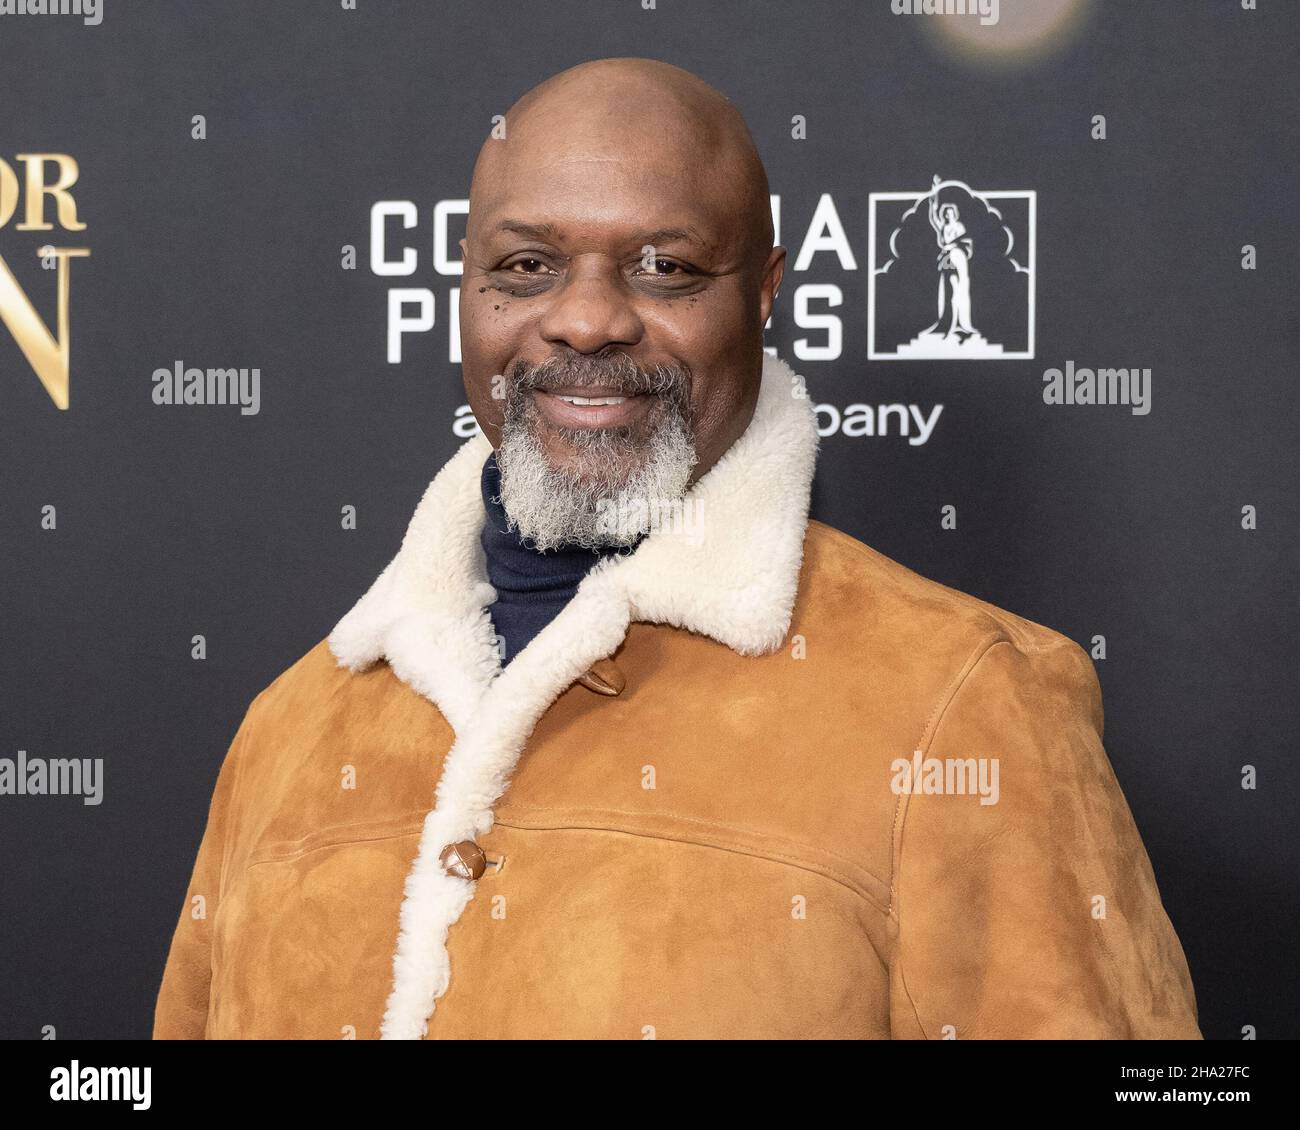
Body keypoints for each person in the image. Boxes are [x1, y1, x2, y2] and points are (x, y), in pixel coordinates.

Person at [153, 57, 1201, 1040]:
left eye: (666, 267)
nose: (588, 319)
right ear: (468, 290)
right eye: (527, 265)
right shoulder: (286, 733)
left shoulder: (963, 700)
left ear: (763, 292)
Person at [923, 176, 978, 342]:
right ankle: (948, 322)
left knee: (957, 288)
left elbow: (965, 241)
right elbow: (932, 216)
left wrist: (954, 246)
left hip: (957, 257)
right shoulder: (943, 227)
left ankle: (960, 324)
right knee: (948, 288)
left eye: (950, 212)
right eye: (946, 213)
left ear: (955, 213)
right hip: (946, 257)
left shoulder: (959, 227)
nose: (948, 215)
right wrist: (934, 193)